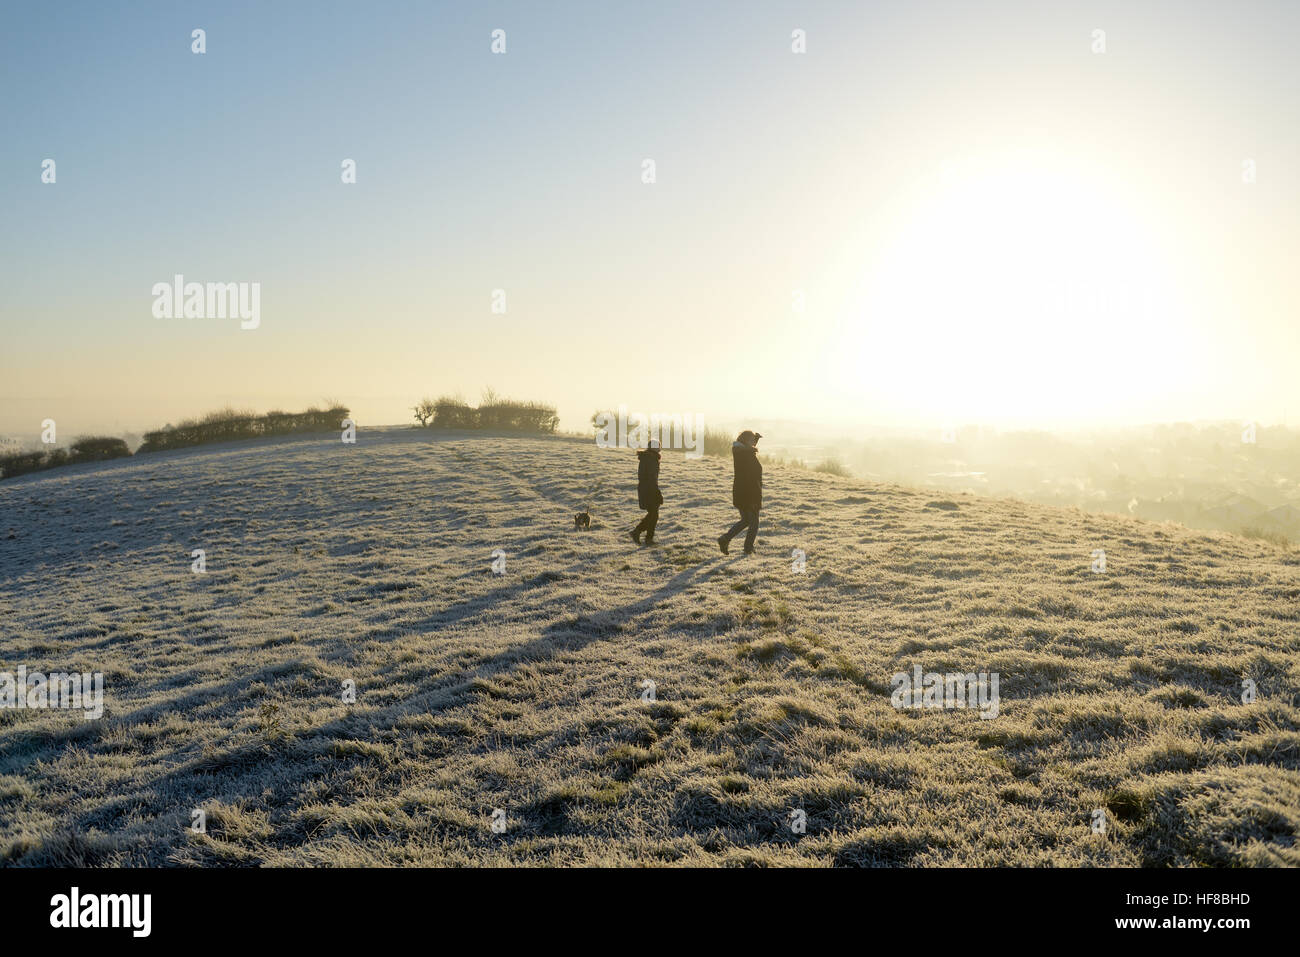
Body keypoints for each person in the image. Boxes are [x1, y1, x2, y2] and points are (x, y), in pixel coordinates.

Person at [718, 430, 762, 555]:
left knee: (746, 520)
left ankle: (725, 539)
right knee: (754, 522)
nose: (754, 443)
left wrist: (753, 442)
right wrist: (754, 498)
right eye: (752, 440)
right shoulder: (746, 455)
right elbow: (751, 476)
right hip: (749, 493)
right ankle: (748, 548)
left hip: (740, 491)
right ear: (746, 441)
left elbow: (747, 450)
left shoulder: (741, 452)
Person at [631, 438, 663, 545]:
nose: (660, 448)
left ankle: (646, 537)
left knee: (653, 514)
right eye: (658, 446)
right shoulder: (651, 459)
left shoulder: (648, 457)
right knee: (653, 514)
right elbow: (651, 478)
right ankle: (639, 532)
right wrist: (657, 492)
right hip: (649, 490)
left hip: (646, 489)